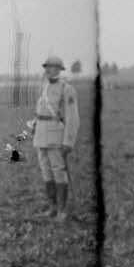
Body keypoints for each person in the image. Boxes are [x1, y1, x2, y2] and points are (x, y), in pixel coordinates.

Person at [27, 56, 81, 220]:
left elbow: (72, 119)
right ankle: (52, 207)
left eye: (52, 67)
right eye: (46, 67)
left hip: (56, 136)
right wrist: (34, 126)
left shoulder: (66, 89)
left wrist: (68, 142)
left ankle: (62, 211)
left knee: (58, 171)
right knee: (46, 172)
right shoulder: (43, 88)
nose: (48, 70)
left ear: (59, 69)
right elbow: (40, 112)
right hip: (41, 135)